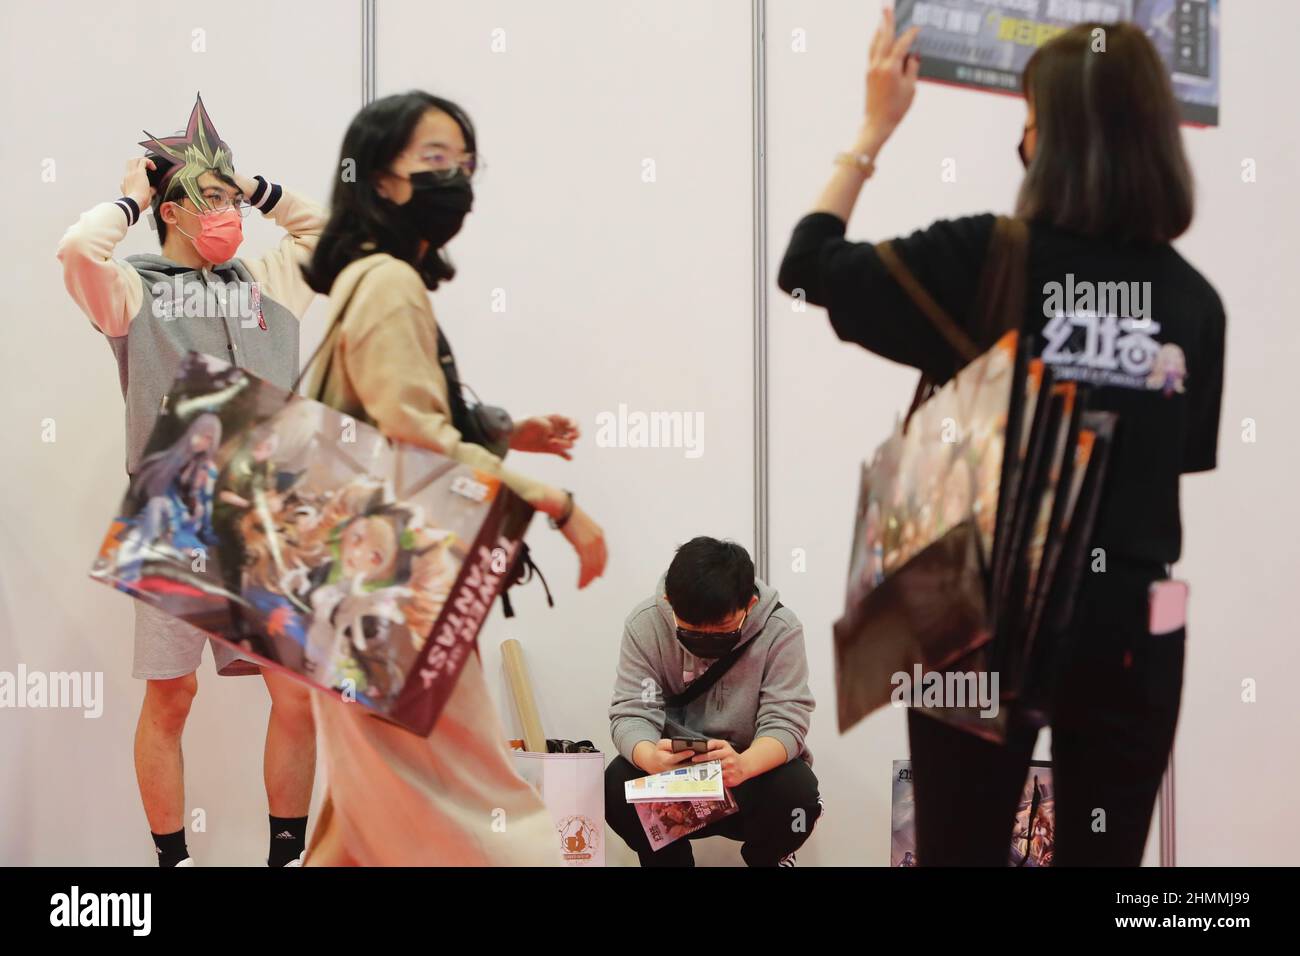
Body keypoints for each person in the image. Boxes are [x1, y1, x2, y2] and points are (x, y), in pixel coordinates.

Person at [777, 13, 1224, 866]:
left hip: (974, 608)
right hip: (1132, 625)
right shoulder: (1196, 303)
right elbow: (1178, 460)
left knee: (959, 855)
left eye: (1029, 116)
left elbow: (808, 265)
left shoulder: (986, 256)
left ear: (1051, 138)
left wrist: (873, 128)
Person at [298, 90, 608, 866]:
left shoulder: (367, 279)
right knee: (479, 816)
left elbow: (388, 408)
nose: (457, 180)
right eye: (434, 161)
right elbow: (413, 435)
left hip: (349, 601)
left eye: (466, 165)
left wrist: (504, 429)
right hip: (395, 606)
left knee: (362, 824)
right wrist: (556, 502)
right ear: (377, 178)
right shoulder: (388, 281)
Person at [56, 94, 323, 866]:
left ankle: (287, 855)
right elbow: (78, 251)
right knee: (173, 695)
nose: (228, 210)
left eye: (232, 196)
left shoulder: (269, 278)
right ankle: (173, 859)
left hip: (268, 514)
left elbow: (327, 234)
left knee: (295, 694)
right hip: (173, 513)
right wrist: (130, 195)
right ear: (170, 211)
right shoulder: (130, 288)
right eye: (211, 197)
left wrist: (259, 189)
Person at [605, 537, 820, 866]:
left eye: (721, 630)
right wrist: (651, 757)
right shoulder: (645, 624)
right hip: (675, 783)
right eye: (690, 630)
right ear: (669, 601)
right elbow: (631, 712)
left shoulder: (780, 629)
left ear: (748, 604)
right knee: (616, 783)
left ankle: (768, 859)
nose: (705, 641)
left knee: (797, 791)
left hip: (749, 777)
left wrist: (743, 766)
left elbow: (786, 721)